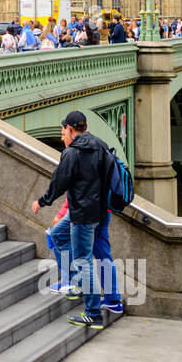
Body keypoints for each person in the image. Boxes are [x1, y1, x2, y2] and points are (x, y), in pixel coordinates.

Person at [31, 111, 111, 329]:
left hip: (82, 215)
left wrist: (42, 201)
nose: (61, 137)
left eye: (62, 132)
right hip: (99, 211)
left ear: (70, 129)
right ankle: (77, 282)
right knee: (56, 234)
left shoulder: (73, 153)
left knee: (85, 261)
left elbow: (59, 182)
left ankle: (93, 313)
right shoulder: (100, 144)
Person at [47, 199, 124, 314]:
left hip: (85, 210)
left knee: (57, 235)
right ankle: (113, 300)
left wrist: (61, 214)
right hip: (104, 210)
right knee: (103, 256)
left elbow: (78, 187)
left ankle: (73, 282)